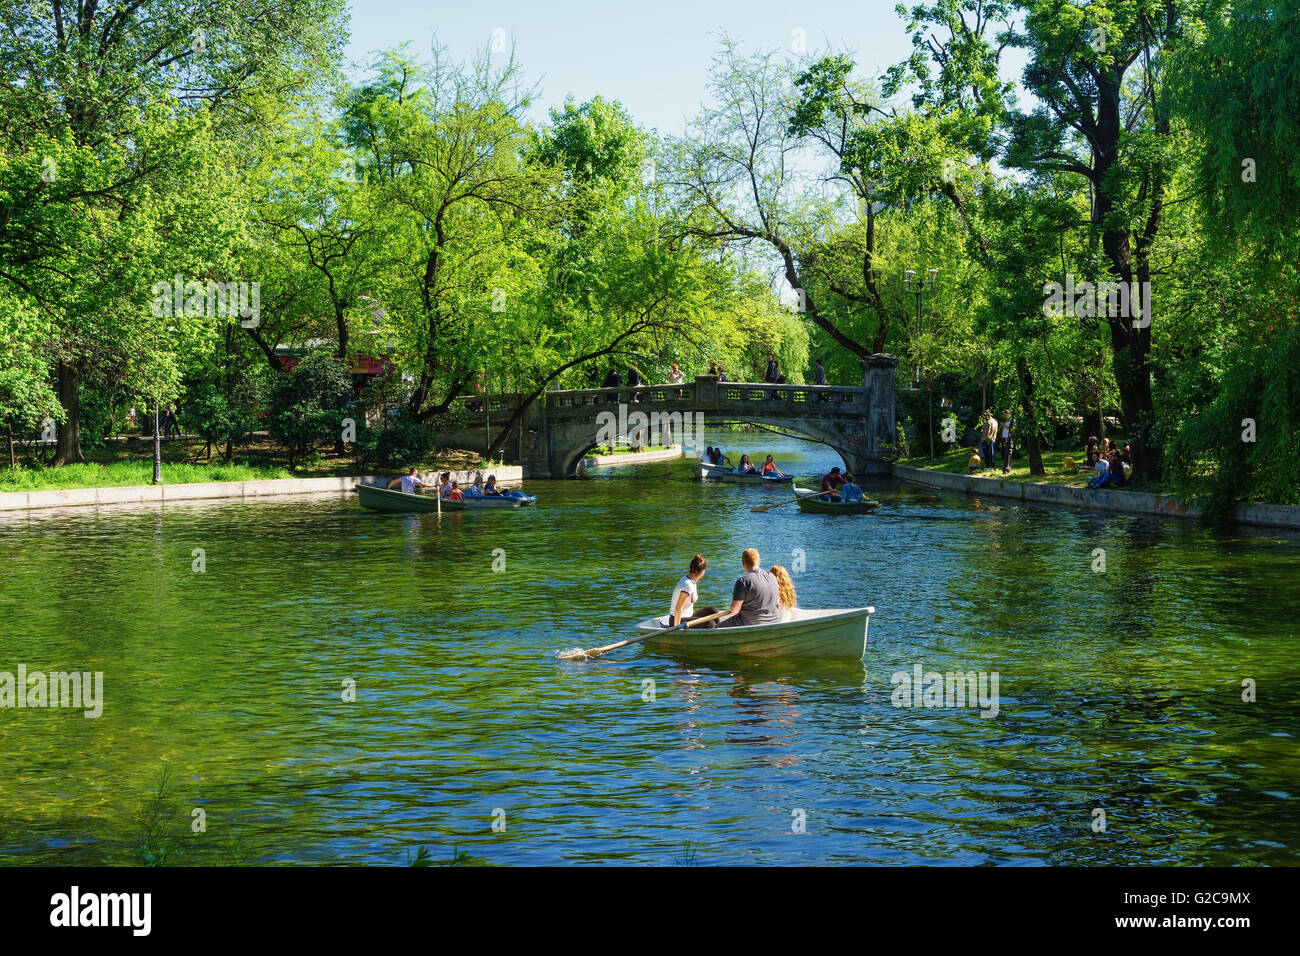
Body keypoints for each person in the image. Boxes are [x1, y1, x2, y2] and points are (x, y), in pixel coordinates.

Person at [717, 549, 782, 628]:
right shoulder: (772, 577)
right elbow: (777, 602)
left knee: (715, 627)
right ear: (759, 561)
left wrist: (732, 606)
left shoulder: (743, 581)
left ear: (743, 563)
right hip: (775, 621)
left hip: (750, 623)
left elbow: (734, 610)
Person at [669, 554, 718, 627]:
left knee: (713, 610)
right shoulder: (687, 585)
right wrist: (677, 627)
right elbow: (678, 608)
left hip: (689, 615)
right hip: (678, 620)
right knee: (710, 623)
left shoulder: (691, 580)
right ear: (702, 571)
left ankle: (718, 629)